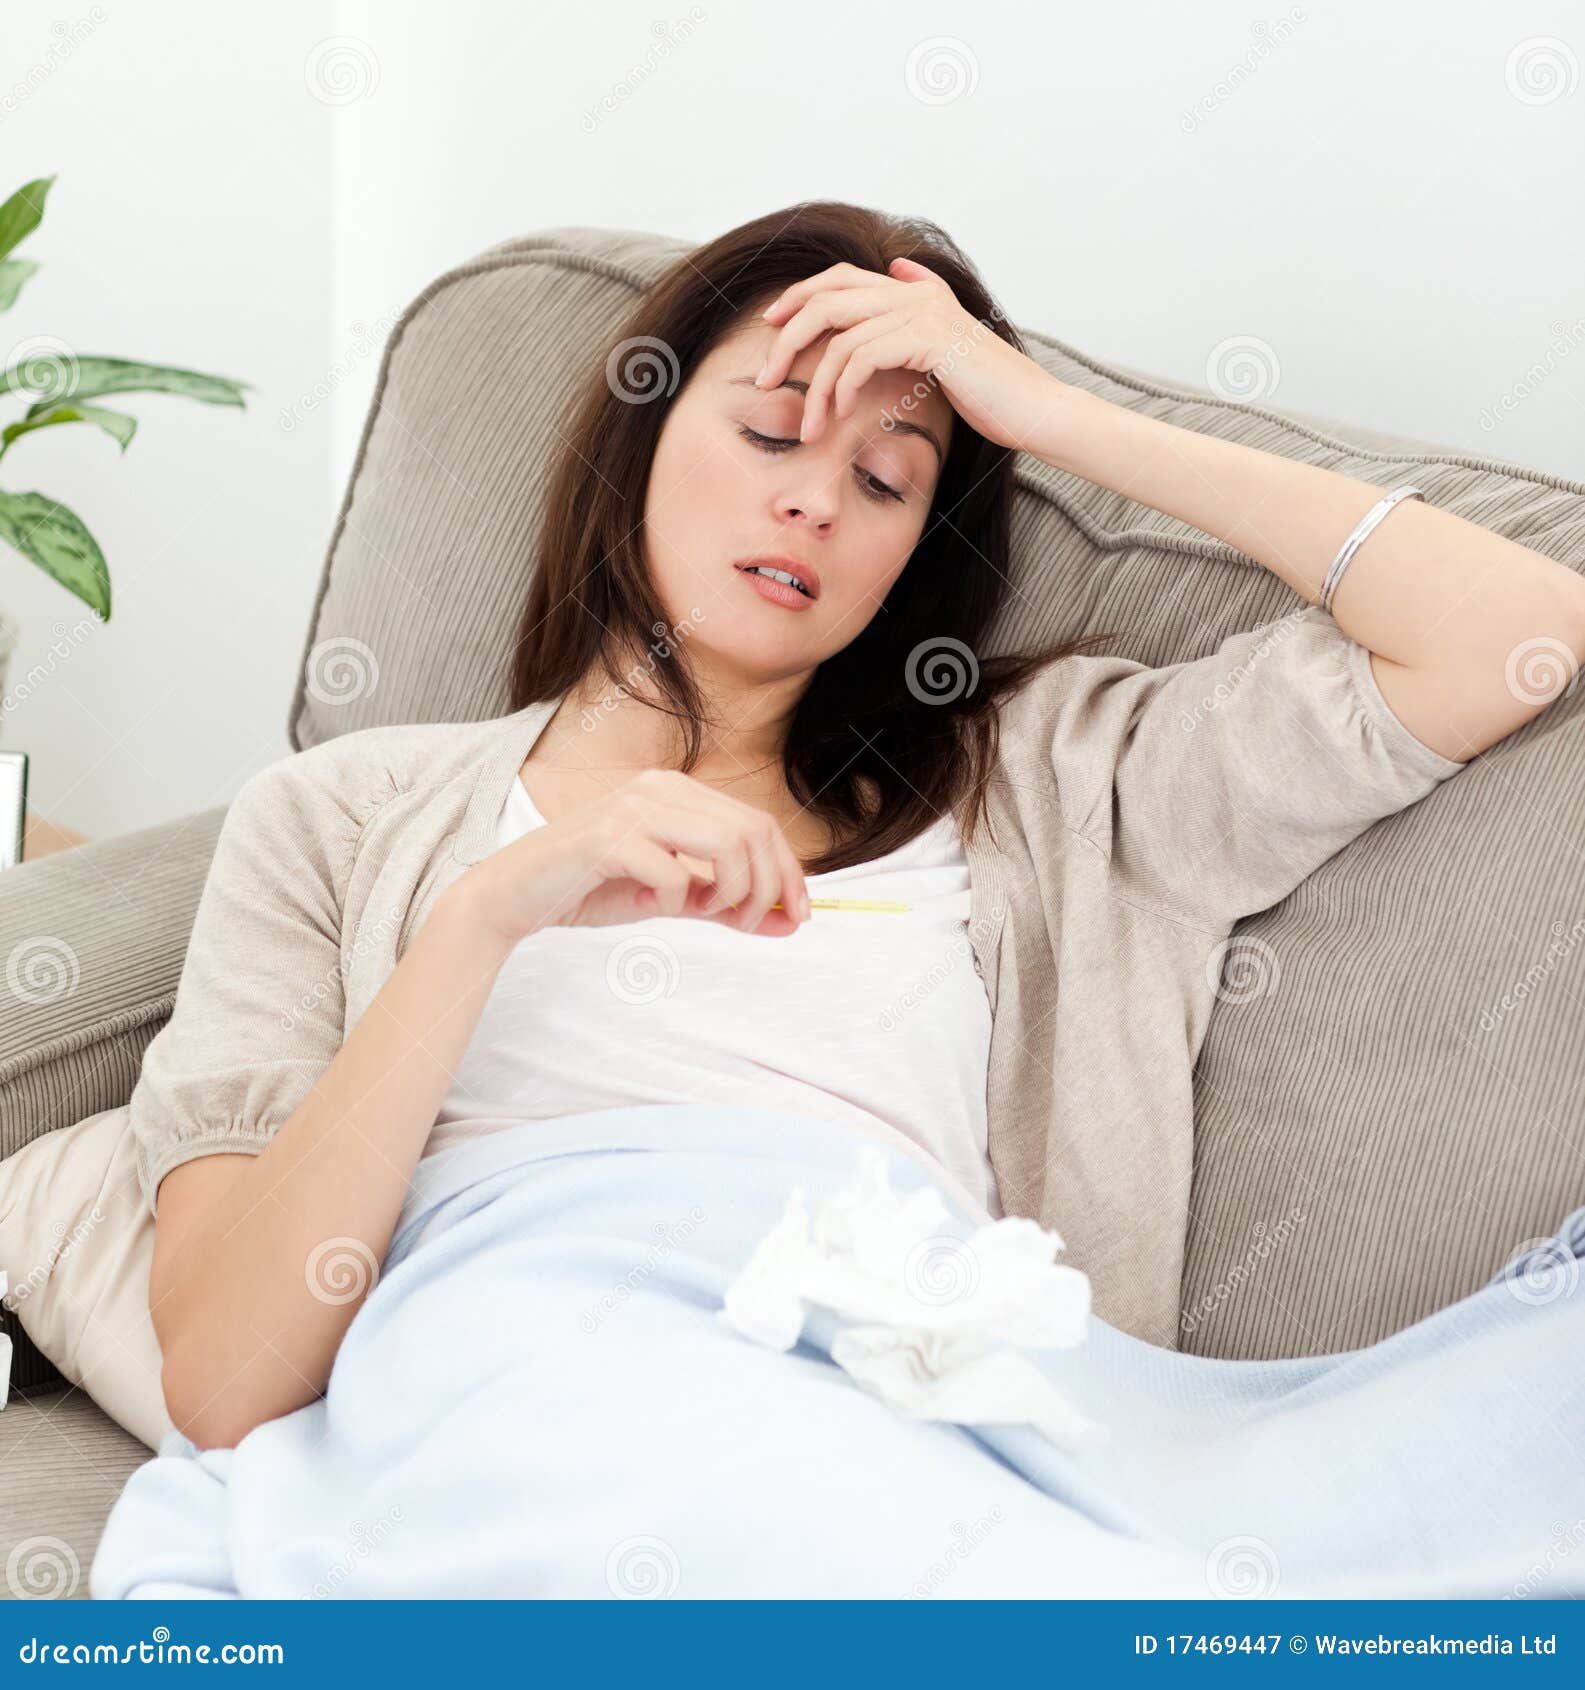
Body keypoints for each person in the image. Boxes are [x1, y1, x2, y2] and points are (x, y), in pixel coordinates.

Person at [134, 200, 1585, 1480]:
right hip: (533, 1378)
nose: (813, 495)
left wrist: (1053, 417)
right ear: (639, 432)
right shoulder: (340, 816)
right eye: (770, 430)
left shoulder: (1050, 782)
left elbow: (1516, 637)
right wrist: (485, 917)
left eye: (885, 479)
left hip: (894, 1415)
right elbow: (224, 1373)